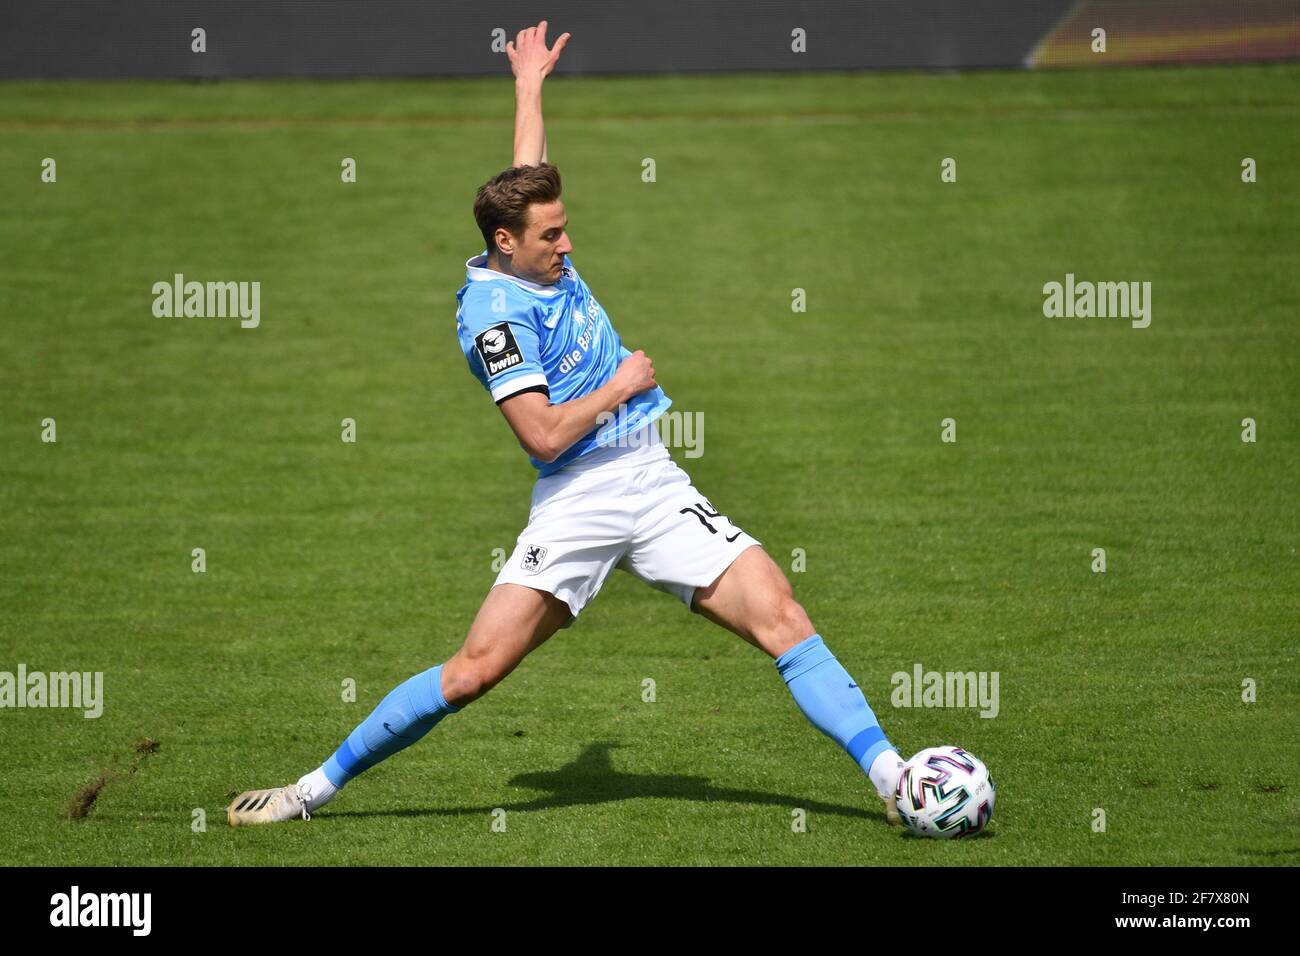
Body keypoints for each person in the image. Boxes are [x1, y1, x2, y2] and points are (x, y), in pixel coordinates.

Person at [228, 20, 904, 829]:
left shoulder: (525, 241)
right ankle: (310, 792)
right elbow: (543, 436)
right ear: (505, 244)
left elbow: (524, 172)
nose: (569, 244)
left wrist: (528, 84)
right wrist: (622, 384)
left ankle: (897, 782)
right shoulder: (495, 318)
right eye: (554, 235)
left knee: (782, 615)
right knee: (473, 672)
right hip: (580, 497)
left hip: (651, 479)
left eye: (565, 226)